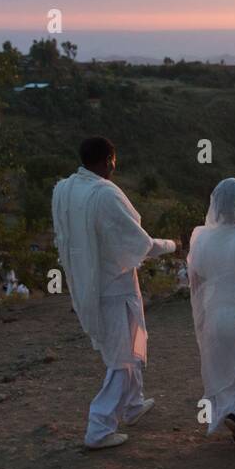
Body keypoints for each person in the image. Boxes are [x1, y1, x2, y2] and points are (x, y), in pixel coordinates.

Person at [52, 137, 180, 450]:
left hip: (90, 282)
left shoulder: (65, 189)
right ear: (110, 159)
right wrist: (174, 245)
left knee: (132, 342)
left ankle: (133, 404)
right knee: (122, 356)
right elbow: (139, 242)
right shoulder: (104, 194)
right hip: (114, 286)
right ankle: (99, 425)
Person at [188, 178, 235, 447]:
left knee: (224, 370)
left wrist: (204, 317)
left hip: (213, 317)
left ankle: (230, 413)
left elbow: (196, 281)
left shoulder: (200, 239)